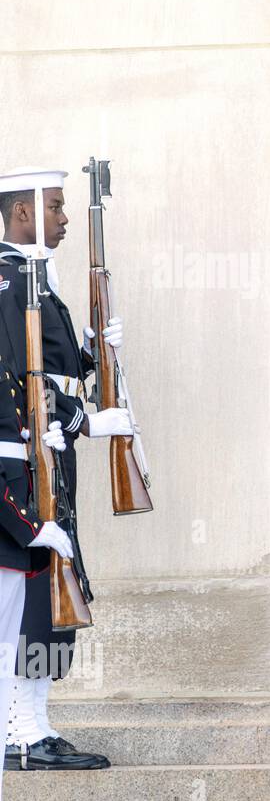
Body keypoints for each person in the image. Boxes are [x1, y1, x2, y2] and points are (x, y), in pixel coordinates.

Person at [0, 168, 124, 770]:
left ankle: (34, 725)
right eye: (55, 207)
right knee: (21, 611)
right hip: (23, 470)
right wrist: (82, 420)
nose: (65, 218)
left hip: (49, 464)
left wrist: (97, 351)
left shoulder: (37, 281)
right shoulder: (6, 285)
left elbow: (52, 369)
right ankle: (18, 732)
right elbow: (17, 385)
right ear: (23, 212)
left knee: (50, 616)